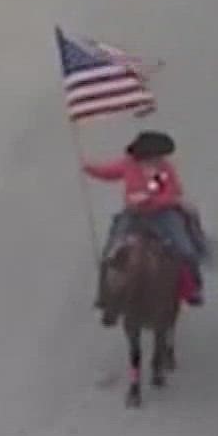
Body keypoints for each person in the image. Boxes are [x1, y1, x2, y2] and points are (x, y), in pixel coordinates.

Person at [84, 130, 205, 307]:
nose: (158, 159)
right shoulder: (128, 165)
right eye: (155, 156)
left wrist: (153, 201)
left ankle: (193, 289)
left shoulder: (164, 170)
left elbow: (172, 192)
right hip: (134, 214)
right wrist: (89, 168)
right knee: (111, 251)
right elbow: (108, 172)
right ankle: (105, 294)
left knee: (186, 250)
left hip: (162, 215)